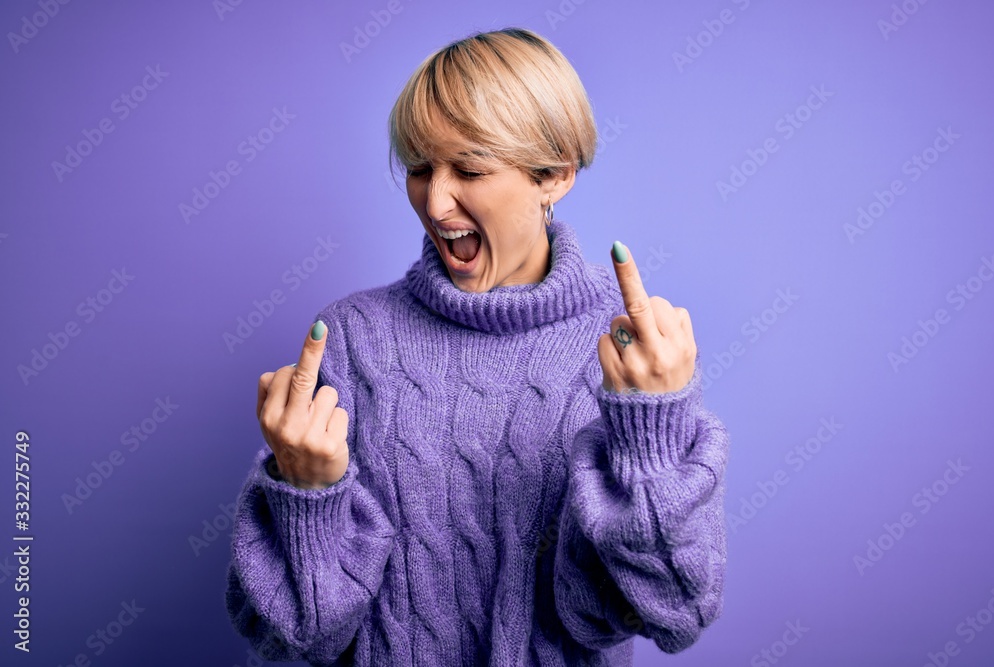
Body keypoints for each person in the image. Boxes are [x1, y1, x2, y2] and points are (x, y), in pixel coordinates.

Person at [226, 26, 729, 667]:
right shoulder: (351, 340)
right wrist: (306, 498)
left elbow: (675, 611)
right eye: (418, 168)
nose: (435, 203)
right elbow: (292, 637)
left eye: (469, 169)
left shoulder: (633, 352)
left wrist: (649, 439)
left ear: (554, 175)